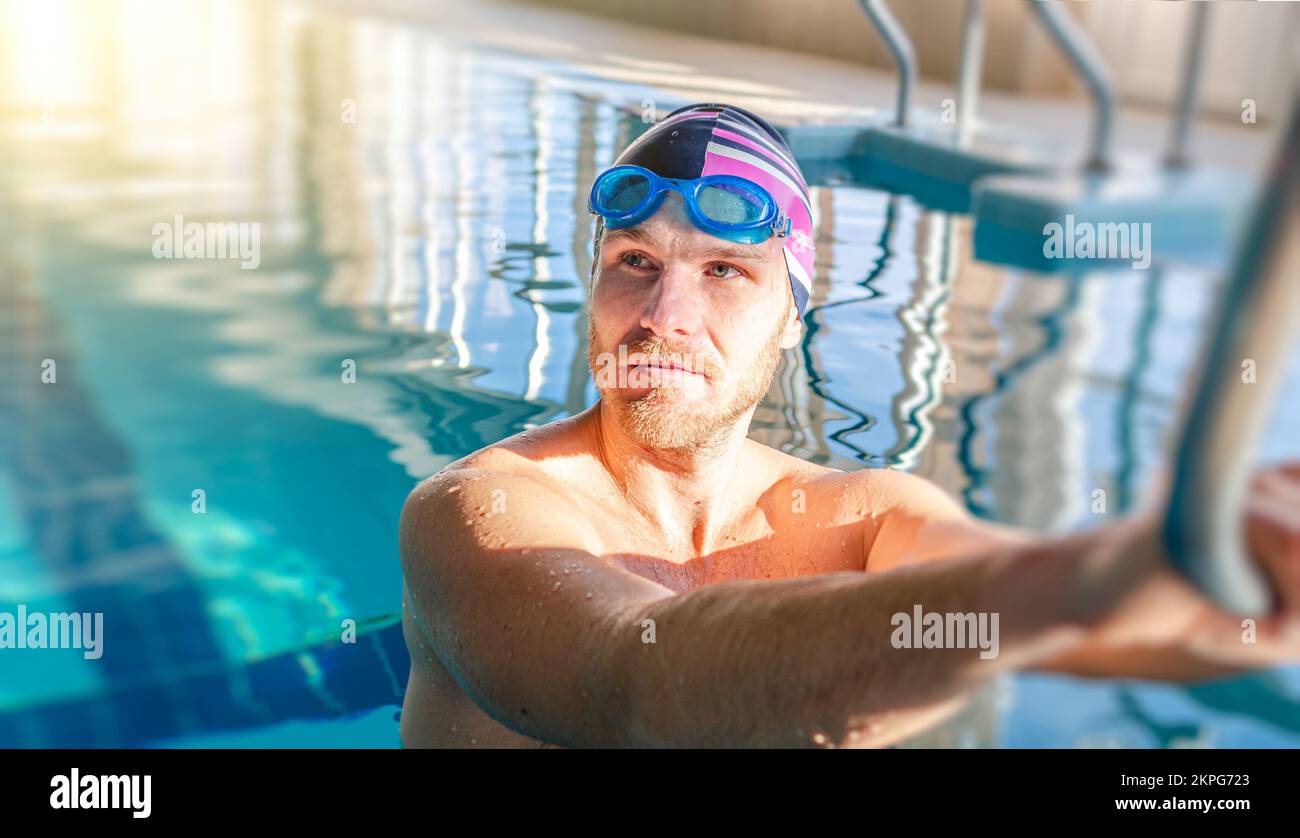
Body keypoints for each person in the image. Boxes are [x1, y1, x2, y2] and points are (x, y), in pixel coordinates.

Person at [398, 103, 1300, 748]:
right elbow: (642, 690)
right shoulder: (475, 514)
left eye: (724, 272)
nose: (664, 314)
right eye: (635, 262)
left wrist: (1240, 578)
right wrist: (1084, 581)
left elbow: (1067, 621)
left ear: (793, 318)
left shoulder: (862, 519)